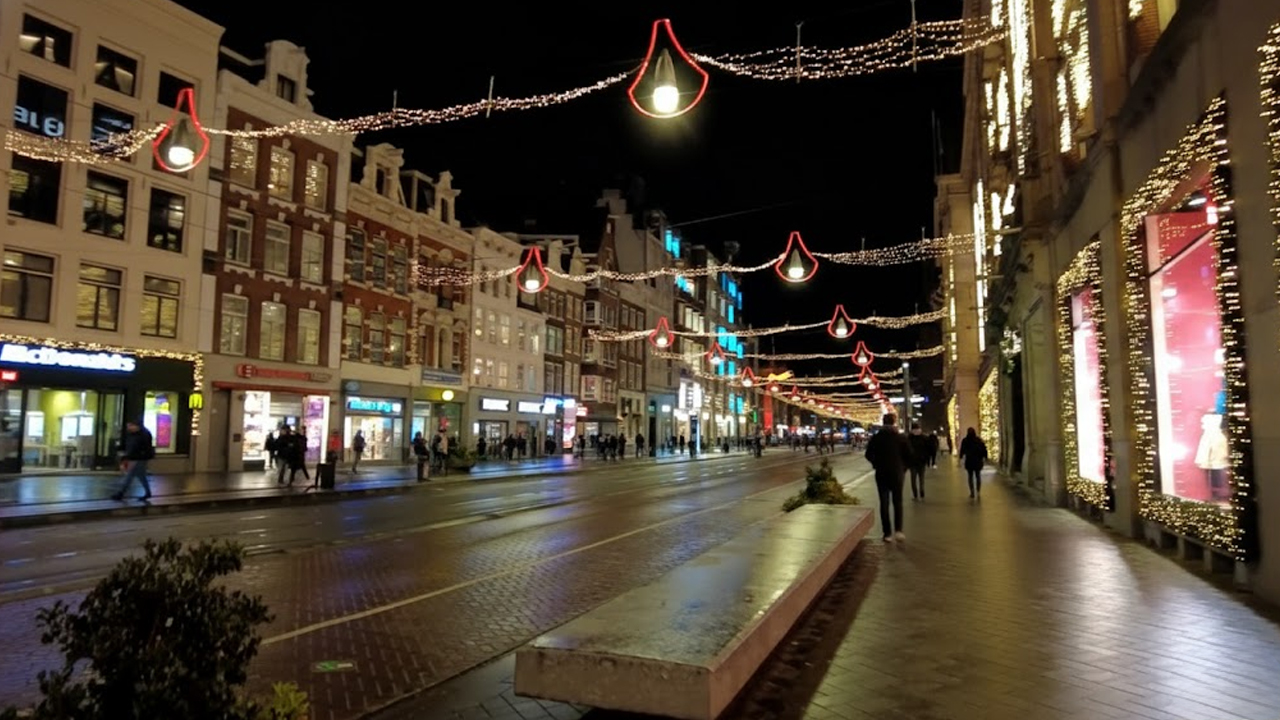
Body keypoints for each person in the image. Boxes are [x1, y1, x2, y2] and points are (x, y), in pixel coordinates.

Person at [864, 413, 913, 543]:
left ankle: (887, 533)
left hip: (881, 473)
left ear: (883, 422)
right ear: (894, 422)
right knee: (898, 502)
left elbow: (868, 454)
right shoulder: (900, 437)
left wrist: (876, 464)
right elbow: (909, 455)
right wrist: (903, 467)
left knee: (884, 503)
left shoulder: (876, 438)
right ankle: (898, 530)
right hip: (897, 473)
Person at [112, 420, 155, 502]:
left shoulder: (144, 435)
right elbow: (129, 446)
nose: (129, 428)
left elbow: (144, 447)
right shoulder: (132, 434)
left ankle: (121, 493)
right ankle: (148, 492)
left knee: (130, 475)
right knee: (141, 476)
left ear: (136, 426)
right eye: (128, 426)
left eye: (130, 426)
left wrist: (132, 455)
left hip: (139, 458)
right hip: (134, 458)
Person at [959, 427, 989, 499]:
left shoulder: (965, 440)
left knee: (970, 477)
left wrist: (961, 456)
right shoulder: (978, 440)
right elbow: (984, 449)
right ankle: (978, 491)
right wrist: (985, 457)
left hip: (969, 461)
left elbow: (962, 449)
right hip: (978, 460)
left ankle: (972, 492)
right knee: (978, 476)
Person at [907, 423, 931, 500]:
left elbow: (906, 450)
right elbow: (928, 449)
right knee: (921, 478)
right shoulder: (924, 437)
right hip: (922, 461)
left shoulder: (909, 438)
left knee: (913, 479)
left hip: (912, 462)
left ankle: (915, 494)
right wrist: (927, 459)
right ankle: (922, 490)